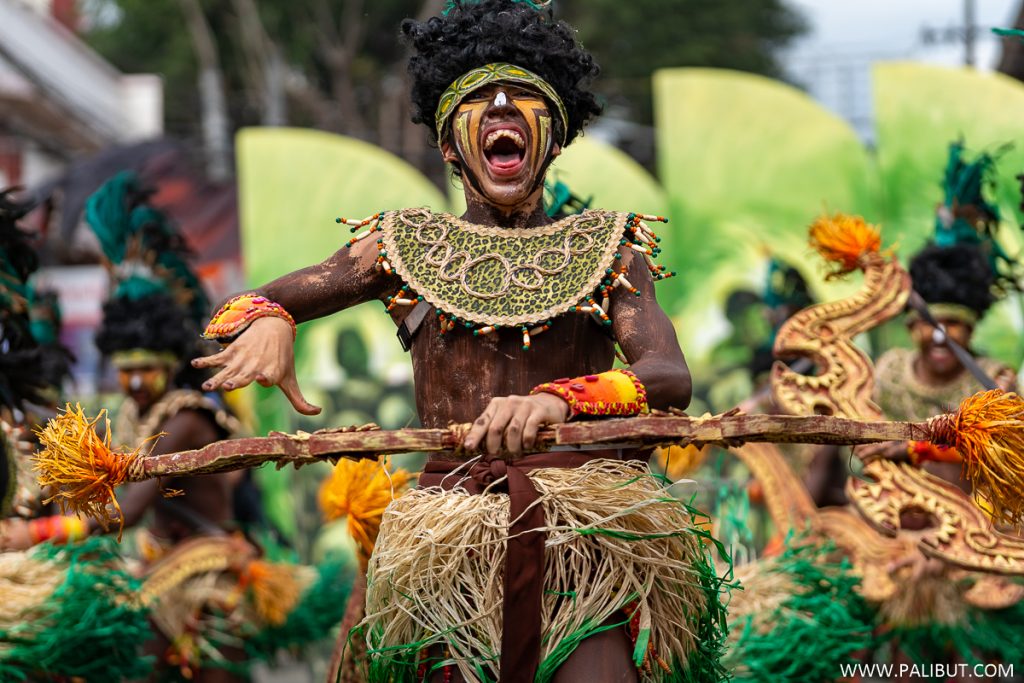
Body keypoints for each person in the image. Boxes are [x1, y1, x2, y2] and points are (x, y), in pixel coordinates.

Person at [195, 1, 727, 681]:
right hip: (448, 543)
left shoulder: (610, 249)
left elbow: (668, 374)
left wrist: (561, 400)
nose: (502, 106)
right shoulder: (398, 245)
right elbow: (244, 303)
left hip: (584, 538)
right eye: (480, 101)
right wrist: (271, 319)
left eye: (524, 100)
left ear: (554, 139)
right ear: (451, 143)